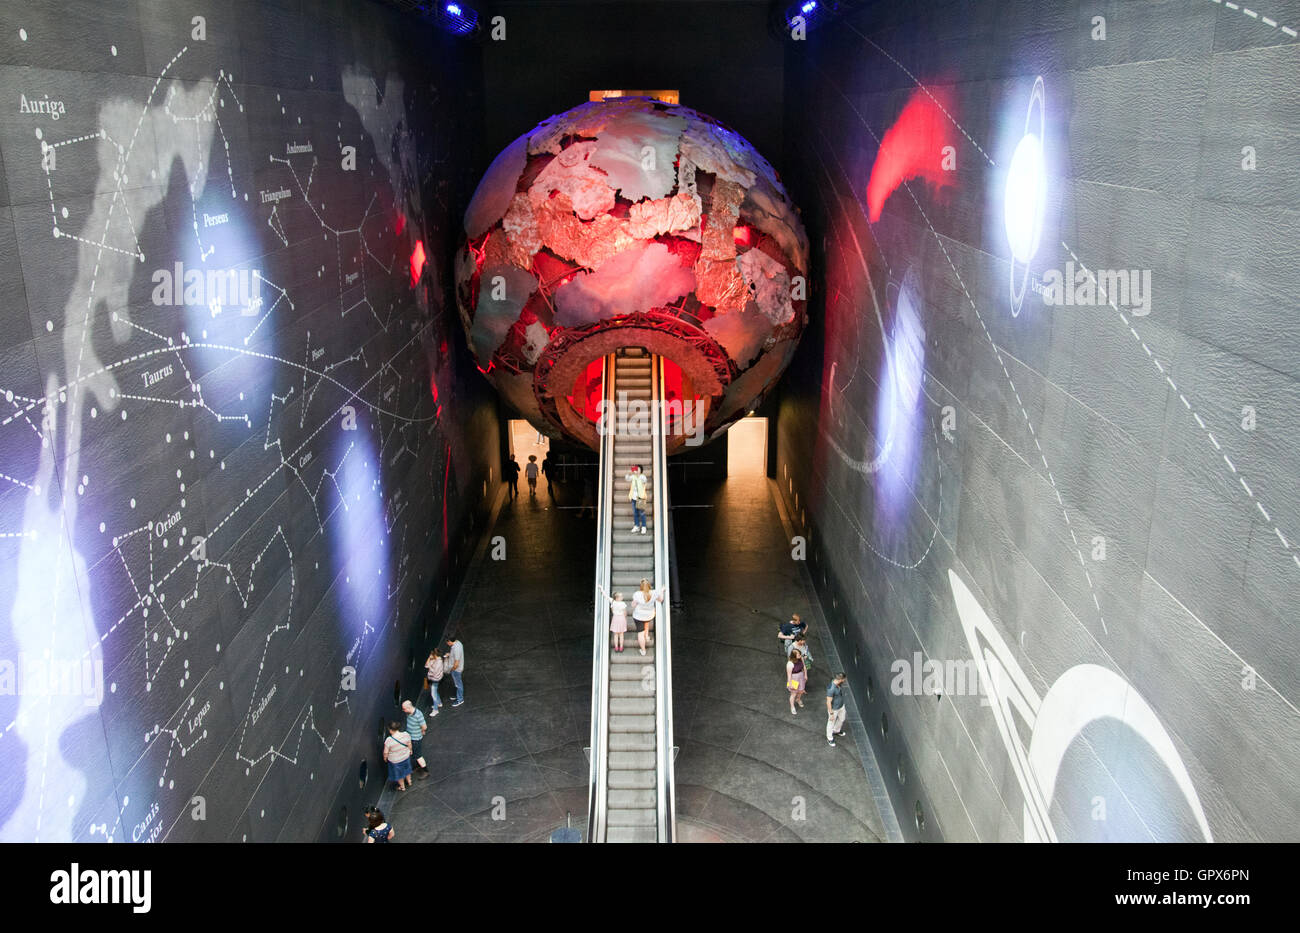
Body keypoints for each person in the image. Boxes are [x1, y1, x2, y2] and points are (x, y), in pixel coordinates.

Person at [630, 578, 665, 657]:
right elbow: (660, 599)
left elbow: (633, 605)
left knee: (640, 633)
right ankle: (647, 636)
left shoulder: (637, 594)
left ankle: (643, 650)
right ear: (649, 586)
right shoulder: (654, 593)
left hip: (638, 616)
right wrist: (662, 591)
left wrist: (634, 602)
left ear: (641, 586)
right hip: (649, 615)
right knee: (646, 623)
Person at [383, 721, 414, 791]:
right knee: (407, 769)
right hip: (406, 757)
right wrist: (410, 750)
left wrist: (385, 758)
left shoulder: (389, 740)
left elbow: (385, 752)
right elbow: (409, 744)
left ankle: (402, 787)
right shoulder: (406, 734)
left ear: (390, 730)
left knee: (400, 774)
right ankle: (409, 781)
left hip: (395, 761)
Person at [401, 700, 429, 777]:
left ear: (409, 708)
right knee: (414, 754)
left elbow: (424, 726)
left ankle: (425, 771)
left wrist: (422, 731)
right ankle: (417, 765)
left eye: (404, 709)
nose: (403, 711)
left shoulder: (418, 715)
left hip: (415, 739)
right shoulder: (409, 713)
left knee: (418, 755)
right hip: (411, 737)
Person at [598, 584, 629, 653]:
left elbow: (605, 596)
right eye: (621, 596)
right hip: (621, 619)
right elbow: (625, 613)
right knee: (621, 634)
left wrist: (601, 588)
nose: (622, 597)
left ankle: (616, 647)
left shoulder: (612, 601)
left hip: (615, 618)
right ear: (617, 598)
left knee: (615, 634)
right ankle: (621, 647)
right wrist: (625, 619)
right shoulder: (623, 604)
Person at [826, 672, 849, 747]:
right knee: (831, 722)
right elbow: (828, 702)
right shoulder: (831, 688)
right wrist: (831, 713)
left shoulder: (838, 684)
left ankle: (836, 730)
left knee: (842, 719)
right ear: (841, 679)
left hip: (841, 706)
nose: (845, 680)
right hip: (834, 709)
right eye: (844, 679)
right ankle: (829, 738)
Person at [626, 464, 648, 534]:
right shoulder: (633, 476)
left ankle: (644, 527)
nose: (636, 470)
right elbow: (627, 479)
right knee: (635, 513)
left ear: (641, 470)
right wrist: (629, 473)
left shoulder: (642, 477)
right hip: (633, 497)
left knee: (642, 513)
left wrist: (638, 476)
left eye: (638, 469)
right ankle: (637, 526)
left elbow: (645, 481)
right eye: (635, 469)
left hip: (641, 497)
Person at [786, 648, 807, 715]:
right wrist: (790, 684)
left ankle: (798, 699)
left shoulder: (801, 658)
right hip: (794, 678)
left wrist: (805, 675)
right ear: (794, 655)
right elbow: (789, 675)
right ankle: (792, 707)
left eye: (800, 654)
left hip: (801, 676)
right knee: (793, 694)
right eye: (798, 654)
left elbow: (804, 667)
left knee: (801, 690)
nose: (800, 655)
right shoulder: (790, 663)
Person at [445, 637, 465, 707]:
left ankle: (460, 699)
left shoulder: (456, 648)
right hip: (456, 669)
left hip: (456, 670)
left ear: (450, 641)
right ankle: (457, 695)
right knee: (456, 683)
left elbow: (456, 663)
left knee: (458, 684)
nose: (447, 644)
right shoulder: (458, 642)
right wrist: (450, 655)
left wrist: (451, 669)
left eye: (447, 642)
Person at [425, 649, 445, 716]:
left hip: (435, 679)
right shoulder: (433, 659)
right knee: (435, 692)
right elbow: (426, 666)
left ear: (435, 655)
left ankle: (435, 710)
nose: (430, 655)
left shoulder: (439, 662)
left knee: (433, 695)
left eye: (431, 654)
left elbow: (435, 672)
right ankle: (439, 703)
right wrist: (429, 658)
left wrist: (430, 666)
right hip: (431, 678)